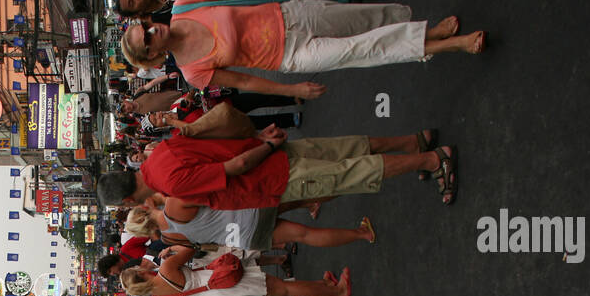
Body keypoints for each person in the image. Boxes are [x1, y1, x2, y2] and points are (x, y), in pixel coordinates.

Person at [121, 0, 486, 95]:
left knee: (365, 21)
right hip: (291, 56)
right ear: (152, 57)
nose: (153, 33)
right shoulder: (192, 72)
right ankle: (450, 44)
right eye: (147, 41)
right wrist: (291, 89)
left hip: (291, 15)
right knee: (363, 50)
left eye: (147, 28)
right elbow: (245, 83)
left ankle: (430, 32)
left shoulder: (185, 6)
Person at [98, 123, 458, 208]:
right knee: (348, 148)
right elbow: (217, 135)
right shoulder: (159, 152)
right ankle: (414, 143)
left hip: (270, 176)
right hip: (268, 151)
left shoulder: (171, 184)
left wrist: (264, 145)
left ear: (128, 202)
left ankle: (431, 159)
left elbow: (234, 168)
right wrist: (263, 139)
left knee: (352, 170)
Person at [119, 244, 349, 296]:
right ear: (141, 272)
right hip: (219, 282)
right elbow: (189, 249)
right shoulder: (166, 269)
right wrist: (169, 249)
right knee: (284, 287)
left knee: (280, 289)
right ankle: (337, 291)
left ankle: (325, 285)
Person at [126, 196, 373, 250]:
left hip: (244, 238)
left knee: (304, 235)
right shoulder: (172, 206)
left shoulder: (171, 237)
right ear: (143, 210)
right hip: (249, 210)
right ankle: (356, 183)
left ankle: (362, 234)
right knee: (304, 194)